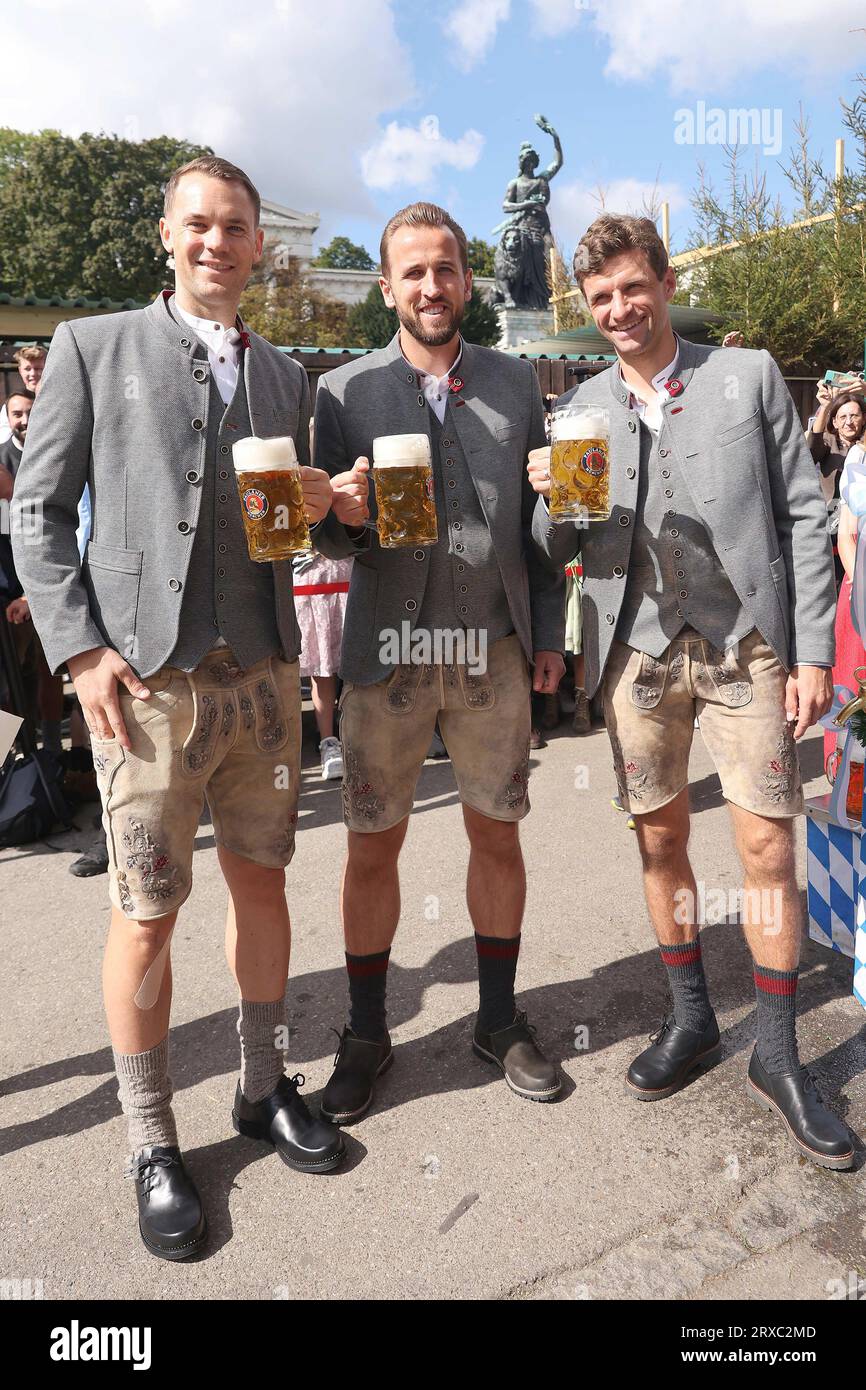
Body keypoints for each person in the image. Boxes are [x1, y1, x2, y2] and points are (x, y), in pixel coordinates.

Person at [13, 154, 344, 1262]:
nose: (216, 241)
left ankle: (260, 1084)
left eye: (235, 226)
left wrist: (319, 509)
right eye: (197, 223)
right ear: (168, 236)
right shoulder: (91, 346)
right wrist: (82, 652)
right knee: (147, 912)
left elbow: (301, 535)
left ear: (258, 246)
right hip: (145, 689)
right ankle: (152, 1138)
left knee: (263, 887)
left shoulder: (290, 381)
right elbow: (39, 515)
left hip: (259, 684)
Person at [529, 212, 854, 1170]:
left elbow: (805, 515)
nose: (621, 308)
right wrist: (550, 498)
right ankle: (692, 1018)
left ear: (665, 285)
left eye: (634, 288)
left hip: (745, 647)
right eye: (602, 299)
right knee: (661, 838)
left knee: (766, 841)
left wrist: (812, 655)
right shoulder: (579, 406)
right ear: (589, 312)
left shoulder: (744, 378)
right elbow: (560, 554)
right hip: (636, 656)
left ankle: (782, 1055)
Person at [312, 200, 566, 1122]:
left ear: (468, 278)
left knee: (497, 832)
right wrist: (336, 516)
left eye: (446, 268)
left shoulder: (515, 383)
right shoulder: (340, 394)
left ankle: (498, 1021)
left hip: (492, 654)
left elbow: (540, 539)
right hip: (388, 660)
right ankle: (368, 1033)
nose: (431, 285)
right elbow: (330, 545)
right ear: (387, 286)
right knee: (371, 843)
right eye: (412, 271)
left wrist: (548, 635)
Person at [292, 550, 352, 778]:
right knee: (322, 668)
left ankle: (361, 738)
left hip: (347, 575)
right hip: (309, 579)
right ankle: (328, 743)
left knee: (359, 670)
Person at [809, 386, 866, 586]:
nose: (848, 422)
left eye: (854, 415)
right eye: (842, 417)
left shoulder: (863, 447)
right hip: (832, 522)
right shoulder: (829, 442)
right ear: (834, 421)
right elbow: (811, 450)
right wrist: (825, 406)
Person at [0, 346, 46, 443]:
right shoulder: (11, 407)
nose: (32, 373)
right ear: (20, 371)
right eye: (27, 369)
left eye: (38, 368)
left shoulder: (57, 401)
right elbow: (4, 440)